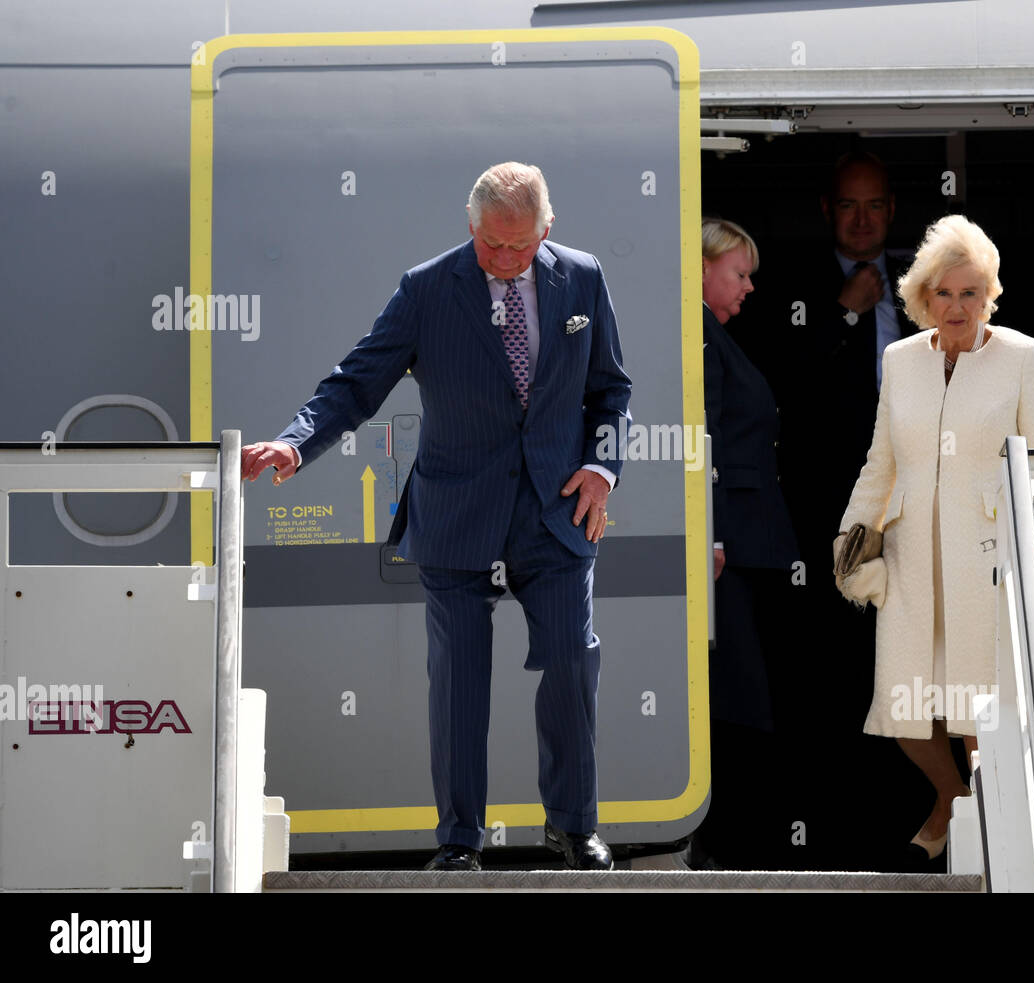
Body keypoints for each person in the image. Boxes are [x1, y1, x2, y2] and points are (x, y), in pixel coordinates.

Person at [240, 162, 632, 871]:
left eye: (522, 246)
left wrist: (603, 471)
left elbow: (611, 389)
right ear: (470, 224)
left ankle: (573, 827)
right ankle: (459, 842)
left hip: (557, 511)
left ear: (549, 227)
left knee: (573, 663)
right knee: (458, 678)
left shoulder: (583, 276)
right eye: (492, 245)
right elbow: (357, 381)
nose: (508, 262)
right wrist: (295, 444)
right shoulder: (427, 288)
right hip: (457, 511)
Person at [837, 214, 1034, 861]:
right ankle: (953, 798)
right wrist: (853, 542)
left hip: (988, 564)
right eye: (945, 293)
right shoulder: (900, 360)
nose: (958, 305)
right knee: (909, 710)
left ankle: (993, 848)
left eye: (972, 292)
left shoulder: (1024, 358)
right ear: (923, 298)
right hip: (913, 560)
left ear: (989, 294)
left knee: (976, 715)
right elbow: (881, 461)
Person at [749, 151, 924, 869]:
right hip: (825, 517)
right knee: (832, 673)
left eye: (875, 206)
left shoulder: (928, 279)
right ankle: (832, 830)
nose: (862, 220)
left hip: (915, 514)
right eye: (848, 207)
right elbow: (775, 384)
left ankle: (914, 821)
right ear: (826, 209)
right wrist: (843, 313)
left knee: (911, 666)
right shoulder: (789, 282)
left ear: (892, 209)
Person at [692, 219, 800, 868]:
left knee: (745, 697)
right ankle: (723, 849)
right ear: (702, 269)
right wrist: (712, 535)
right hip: (727, 555)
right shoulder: (699, 336)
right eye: (739, 272)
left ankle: (726, 846)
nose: (750, 286)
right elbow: (697, 444)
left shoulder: (715, 337)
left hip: (745, 552)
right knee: (737, 702)